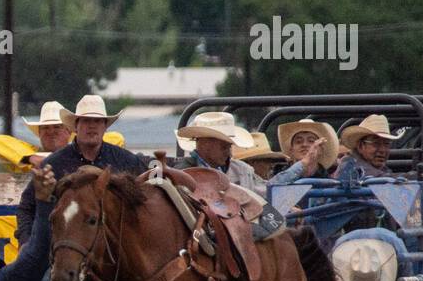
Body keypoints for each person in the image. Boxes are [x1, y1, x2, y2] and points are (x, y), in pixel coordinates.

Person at [18, 95, 145, 245]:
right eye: (86, 121)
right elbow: (26, 208)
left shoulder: (126, 161)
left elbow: (145, 201)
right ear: (75, 127)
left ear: (105, 126)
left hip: (117, 250)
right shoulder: (53, 164)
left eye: (97, 121)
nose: (92, 126)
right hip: (64, 249)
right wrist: (25, 242)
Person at [13, 101, 72, 246]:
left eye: (57, 127)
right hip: (41, 236)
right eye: (45, 128)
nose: (51, 131)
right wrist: (30, 158)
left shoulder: (82, 154)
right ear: (39, 133)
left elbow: (115, 138)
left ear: (69, 131)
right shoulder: (32, 157)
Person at [174, 111, 266, 196]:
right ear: (205, 144)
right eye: (224, 147)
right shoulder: (184, 172)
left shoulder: (242, 170)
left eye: (229, 147)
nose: (229, 153)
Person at [336, 114, 400, 185]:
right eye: (376, 143)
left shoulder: (381, 169)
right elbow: (376, 178)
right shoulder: (349, 165)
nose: (382, 150)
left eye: (386, 144)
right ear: (360, 146)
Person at [271, 118, 338, 183]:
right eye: (298, 142)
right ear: (291, 150)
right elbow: (271, 187)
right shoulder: (277, 173)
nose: (304, 144)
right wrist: (305, 162)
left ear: (321, 150)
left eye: (311, 141)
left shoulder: (329, 182)